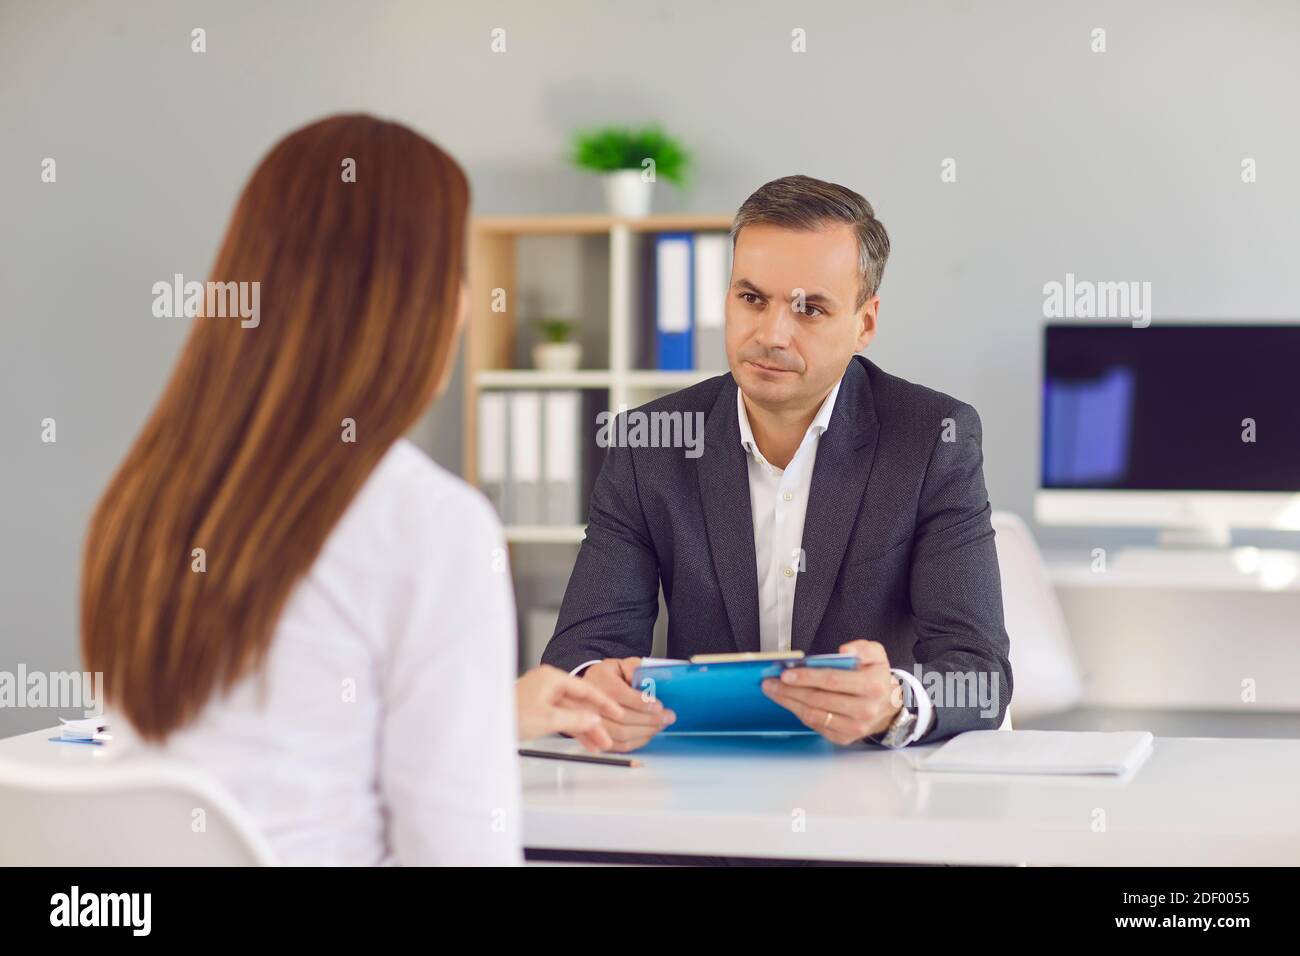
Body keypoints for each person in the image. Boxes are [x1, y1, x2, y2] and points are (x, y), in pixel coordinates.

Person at [80, 114, 618, 865]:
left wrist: (478, 720)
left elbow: (258, 749)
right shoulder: (429, 522)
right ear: (416, 303)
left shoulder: (146, 498)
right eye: (456, 272)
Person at [542, 175, 1012, 752]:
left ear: (864, 323)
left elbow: (980, 674)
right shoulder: (650, 445)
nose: (771, 334)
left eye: (809, 308)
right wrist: (595, 684)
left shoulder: (931, 440)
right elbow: (581, 651)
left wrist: (894, 702)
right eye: (751, 299)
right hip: (705, 773)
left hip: (870, 778)